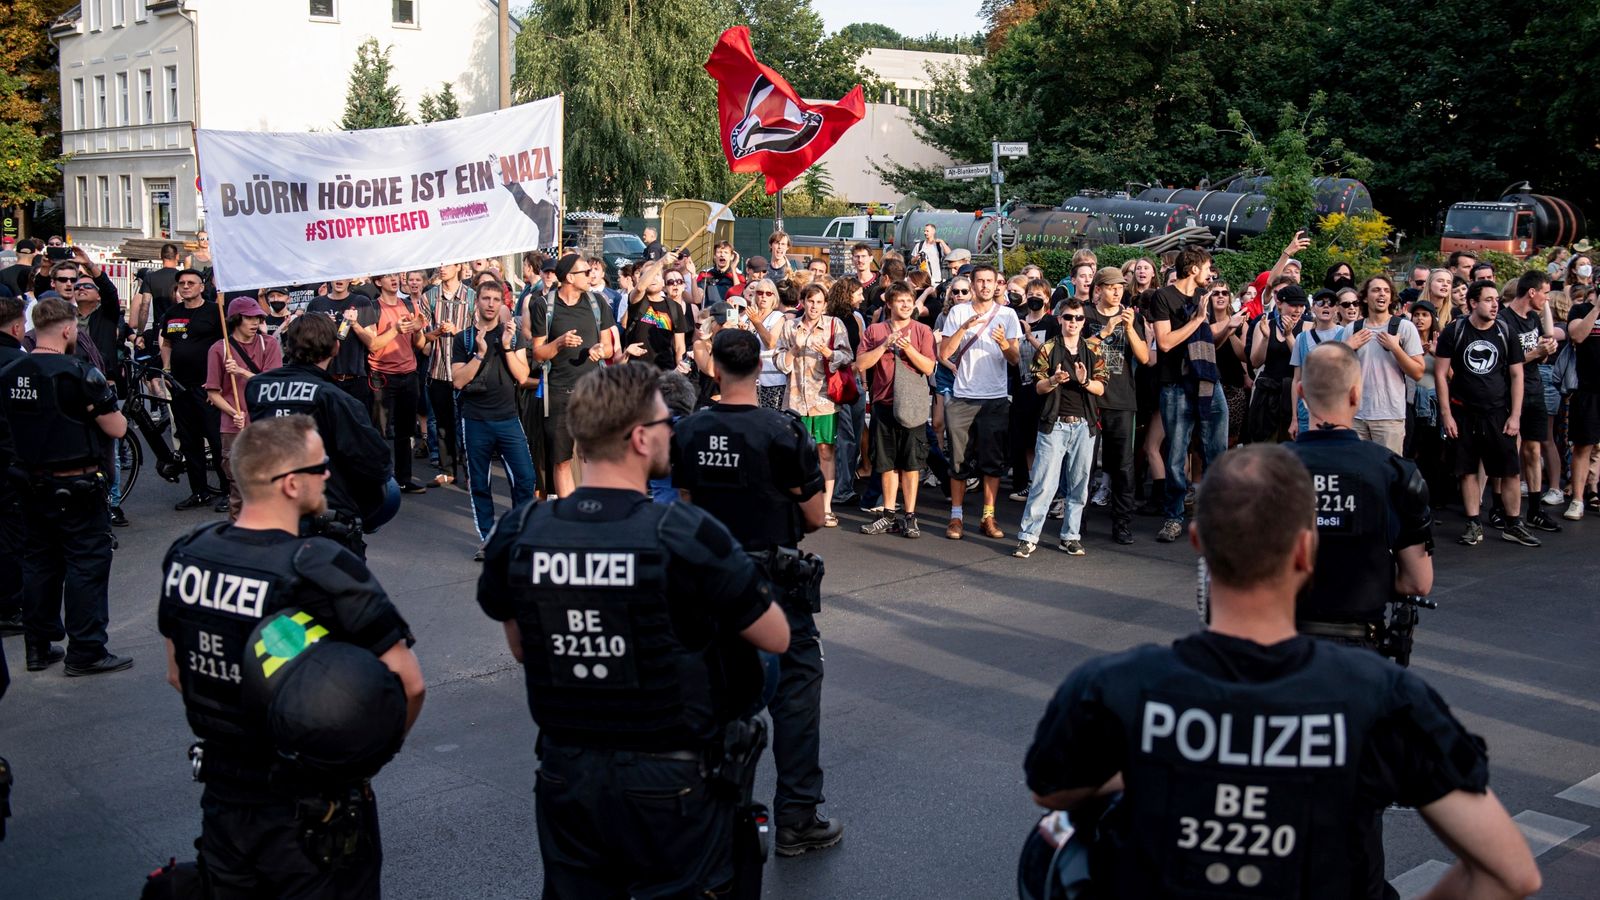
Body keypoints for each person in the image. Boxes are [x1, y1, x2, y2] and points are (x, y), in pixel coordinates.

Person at [1023, 444, 1541, 900]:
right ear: (1305, 550)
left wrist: (1159, 763)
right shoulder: (1383, 698)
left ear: (1198, 542)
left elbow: (1053, 794)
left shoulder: (1114, 689)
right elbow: (1511, 875)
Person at [481, 361, 791, 896]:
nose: (675, 431)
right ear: (641, 438)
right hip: (667, 776)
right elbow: (776, 639)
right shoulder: (685, 532)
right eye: (666, 422)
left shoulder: (521, 528)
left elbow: (521, 647)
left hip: (566, 769)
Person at [160, 415, 425, 897]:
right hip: (310, 812)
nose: (329, 473)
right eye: (320, 466)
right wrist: (359, 765)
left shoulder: (187, 555)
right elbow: (408, 683)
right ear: (289, 484)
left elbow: (178, 673)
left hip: (225, 805)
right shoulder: (320, 566)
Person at [671, 329, 841, 860]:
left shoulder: (690, 430)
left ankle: (708, 814)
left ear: (715, 367)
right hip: (771, 581)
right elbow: (814, 516)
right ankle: (795, 818)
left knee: (712, 696)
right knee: (796, 688)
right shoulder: (782, 430)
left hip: (708, 581)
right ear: (759, 367)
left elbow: (685, 507)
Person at [0, 297, 132, 675]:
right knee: (86, 563)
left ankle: (38, 647)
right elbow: (117, 428)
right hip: (77, 484)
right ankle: (86, 650)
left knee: (39, 563)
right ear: (68, 329)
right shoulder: (78, 373)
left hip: (29, 484)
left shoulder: (11, 373)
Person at [1288, 343, 1434, 653]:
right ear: (1357, 393)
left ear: (1301, 392)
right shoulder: (1394, 472)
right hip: (1359, 646)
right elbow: (1417, 583)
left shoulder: (1258, 470)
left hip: (1280, 645)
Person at [244, 314, 394, 559]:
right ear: (336, 347)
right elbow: (375, 462)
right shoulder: (337, 399)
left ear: (287, 346)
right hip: (324, 518)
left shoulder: (256, 387)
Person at [1436, 280, 1537, 547]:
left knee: (1510, 471)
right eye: (1489, 300)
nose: (1495, 305)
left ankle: (1513, 524)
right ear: (1472, 303)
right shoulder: (1454, 331)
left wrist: (1515, 415)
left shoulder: (1505, 331)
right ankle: (1473, 523)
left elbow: (1517, 374)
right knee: (1468, 470)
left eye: (1496, 300)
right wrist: (1446, 414)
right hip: (1463, 412)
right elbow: (1439, 374)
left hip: (1498, 412)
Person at [1149, 247, 1233, 543]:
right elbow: (1166, 342)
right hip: (1175, 385)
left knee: (1216, 452)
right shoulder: (1163, 297)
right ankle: (1173, 518)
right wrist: (1197, 320)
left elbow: (1206, 343)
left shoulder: (1203, 298)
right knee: (1176, 454)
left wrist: (1226, 328)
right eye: (1209, 267)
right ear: (1194, 268)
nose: (1212, 273)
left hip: (1208, 381)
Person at [1014, 297, 1107, 558]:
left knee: (1079, 485)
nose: (1073, 323)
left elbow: (1101, 388)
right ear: (1060, 319)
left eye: (1078, 318)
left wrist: (1085, 380)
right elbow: (1038, 386)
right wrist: (1054, 379)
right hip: (1054, 424)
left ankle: (1071, 535)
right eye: (1068, 317)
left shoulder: (1093, 351)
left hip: (1084, 426)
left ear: (1083, 321)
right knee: (1044, 483)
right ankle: (1028, 536)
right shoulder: (1048, 349)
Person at [938, 264, 1022, 540]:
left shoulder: (1008, 315)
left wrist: (1003, 344)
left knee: (992, 460)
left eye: (990, 281)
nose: (985, 286)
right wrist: (963, 328)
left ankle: (988, 516)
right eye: (980, 281)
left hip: (994, 397)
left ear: (997, 284)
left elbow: (1015, 360)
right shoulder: (958, 312)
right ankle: (957, 516)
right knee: (959, 460)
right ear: (972, 285)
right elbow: (945, 353)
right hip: (963, 396)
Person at [452, 282, 536, 558]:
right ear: (477, 302)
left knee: (525, 478)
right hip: (474, 419)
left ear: (503, 303)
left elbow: (523, 377)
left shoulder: (512, 335)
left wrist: (506, 346)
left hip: (508, 417)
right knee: (479, 482)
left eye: (495, 299)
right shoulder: (463, 338)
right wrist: (480, 354)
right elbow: (459, 381)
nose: (490, 303)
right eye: (485, 298)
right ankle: (489, 539)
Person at [529, 254, 618, 498]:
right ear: (569, 277)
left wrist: (600, 351)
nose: (591, 275)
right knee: (562, 460)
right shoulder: (542, 306)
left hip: (592, 393)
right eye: (585, 271)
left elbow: (609, 346)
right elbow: (538, 353)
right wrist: (558, 343)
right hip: (558, 393)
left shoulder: (597, 302)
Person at [855, 283, 937, 537]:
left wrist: (908, 348)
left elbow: (929, 368)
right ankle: (888, 514)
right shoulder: (875, 330)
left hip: (912, 405)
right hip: (883, 402)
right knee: (886, 463)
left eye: (908, 300)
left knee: (911, 464)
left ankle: (910, 516)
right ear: (888, 304)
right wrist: (884, 346)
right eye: (899, 300)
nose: (905, 305)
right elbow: (861, 364)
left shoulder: (923, 330)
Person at [777, 283, 854, 527]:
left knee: (825, 451)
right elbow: (780, 363)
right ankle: (800, 504)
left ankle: (826, 506)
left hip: (825, 400)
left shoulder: (834, 325)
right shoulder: (790, 326)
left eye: (819, 302)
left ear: (825, 304)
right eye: (810, 301)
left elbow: (847, 356)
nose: (814, 306)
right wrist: (795, 347)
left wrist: (829, 353)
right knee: (797, 454)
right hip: (796, 400)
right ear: (803, 301)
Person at [1083, 266, 1149, 544]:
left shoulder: (1131, 317)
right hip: (1089, 399)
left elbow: (1145, 358)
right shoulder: (1085, 315)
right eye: (1111, 286)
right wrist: (1107, 330)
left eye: (1121, 286)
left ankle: (1121, 523)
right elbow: (1077, 348)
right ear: (1098, 289)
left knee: (1123, 466)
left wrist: (1129, 328)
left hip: (1122, 399)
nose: (1117, 291)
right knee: (1083, 466)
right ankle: (1078, 522)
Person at [204, 297, 284, 520]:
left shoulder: (269, 344)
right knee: (239, 490)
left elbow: (272, 384)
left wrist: (241, 371)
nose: (254, 322)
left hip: (266, 424)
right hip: (233, 425)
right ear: (236, 319)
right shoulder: (219, 349)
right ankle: (238, 543)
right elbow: (213, 392)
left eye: (257, 317)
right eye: (249, 317)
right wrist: (233, 412)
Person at [160, 268, 230, 511]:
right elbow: (167, 343)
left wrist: (218, 380)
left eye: (191, 282)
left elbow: (226, 346)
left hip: (208, 387)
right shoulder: (172, 313)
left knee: (216, 439)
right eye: (182, 283)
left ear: (202, 286)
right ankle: (199, 492)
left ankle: (228, 491)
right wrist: (166, 370)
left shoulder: (214, 311)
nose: (186, 286)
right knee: (190, 443)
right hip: (180, 387)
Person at [1345, 275, 1425, 453]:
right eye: (1376, 290)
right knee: (1359, 474)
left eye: (1386, 291)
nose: (1382, 294)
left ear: (1391, 298)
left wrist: (1395, 348)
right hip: (1356, 416)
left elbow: (1418, 372)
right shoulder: (1353, 329)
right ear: (1365, 298)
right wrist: (1347, 347)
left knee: (1388, 475)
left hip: (1390, 416)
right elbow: (1338, 372)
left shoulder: (1404, 327)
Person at [420, 263, 474, 486]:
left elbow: (480, 331)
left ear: (459, 266)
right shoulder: (429, 296)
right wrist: (437, 332)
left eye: (448, 264)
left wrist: (457, 332)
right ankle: (447, 470)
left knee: (469, 425)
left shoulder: (472, 296)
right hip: (438, 369)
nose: (442, 269)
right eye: (440, 264)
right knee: (443, 424)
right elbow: (422, 339)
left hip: (465, 371)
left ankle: (471, 473)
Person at [305, 278, 382, 417]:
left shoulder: (362, 302)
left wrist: (354, 324)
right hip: (324, 380)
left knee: (357, 430)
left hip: (355, 379)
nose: (339, 280)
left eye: (343, 276)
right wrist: (323, 326)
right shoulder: (316, 303)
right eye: (336, 275)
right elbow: (306, 344)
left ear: (350, 279)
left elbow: (372, 344)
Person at [0, 294, 28, 636]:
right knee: (11, 536)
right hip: (10, 460)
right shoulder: (20, 365)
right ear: (19, 327)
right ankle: (9, 605)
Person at [1563, 285, 1600, 519]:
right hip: (1589, 390)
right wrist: (1596, 309)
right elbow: (1576, 335)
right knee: (1583, 445)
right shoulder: (1581, 309)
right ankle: (1577, 499)